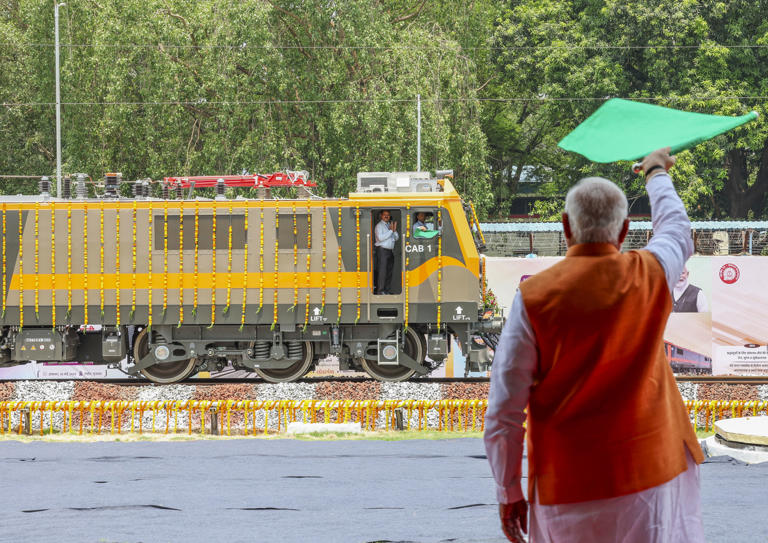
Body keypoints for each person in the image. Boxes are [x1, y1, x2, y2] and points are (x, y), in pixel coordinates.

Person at [484, 147, 705, 543]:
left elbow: (503, 413)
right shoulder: (651, 273)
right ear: (623, 232)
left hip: (566, 486)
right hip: (649, 476)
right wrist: (655, 172)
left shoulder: (534, 298)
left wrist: (508, 491)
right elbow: (676, 230)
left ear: (566, 227)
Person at [374, 210, 398, 295]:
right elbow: (380, 238)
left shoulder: (389, 225)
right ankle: (380, 291)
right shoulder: (379, 226)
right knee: (382, 271)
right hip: (382, 250)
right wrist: (391, 231)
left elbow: (396, 238)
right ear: (381, 216)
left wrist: (394, 231)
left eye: (388, 215)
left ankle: (386, 290)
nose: (387, 216)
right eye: (385, 215)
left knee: (389, 272)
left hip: (390, 251)